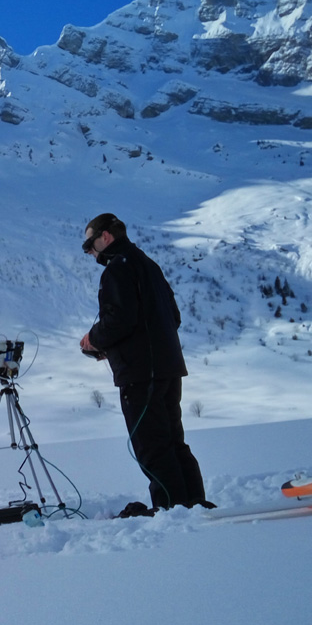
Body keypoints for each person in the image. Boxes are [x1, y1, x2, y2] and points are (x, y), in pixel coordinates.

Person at [78, 213, 213, 516]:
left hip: (140, 375)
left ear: (105, 237)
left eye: (89, 243)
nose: (89, 252)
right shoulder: (149, 265)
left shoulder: (117, 270)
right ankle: (194, 504)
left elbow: (118, 321)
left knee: (152, 447)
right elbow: (172, 318)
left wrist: (94, 339)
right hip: (168, 369)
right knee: (174, 441)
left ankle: (171, 510)